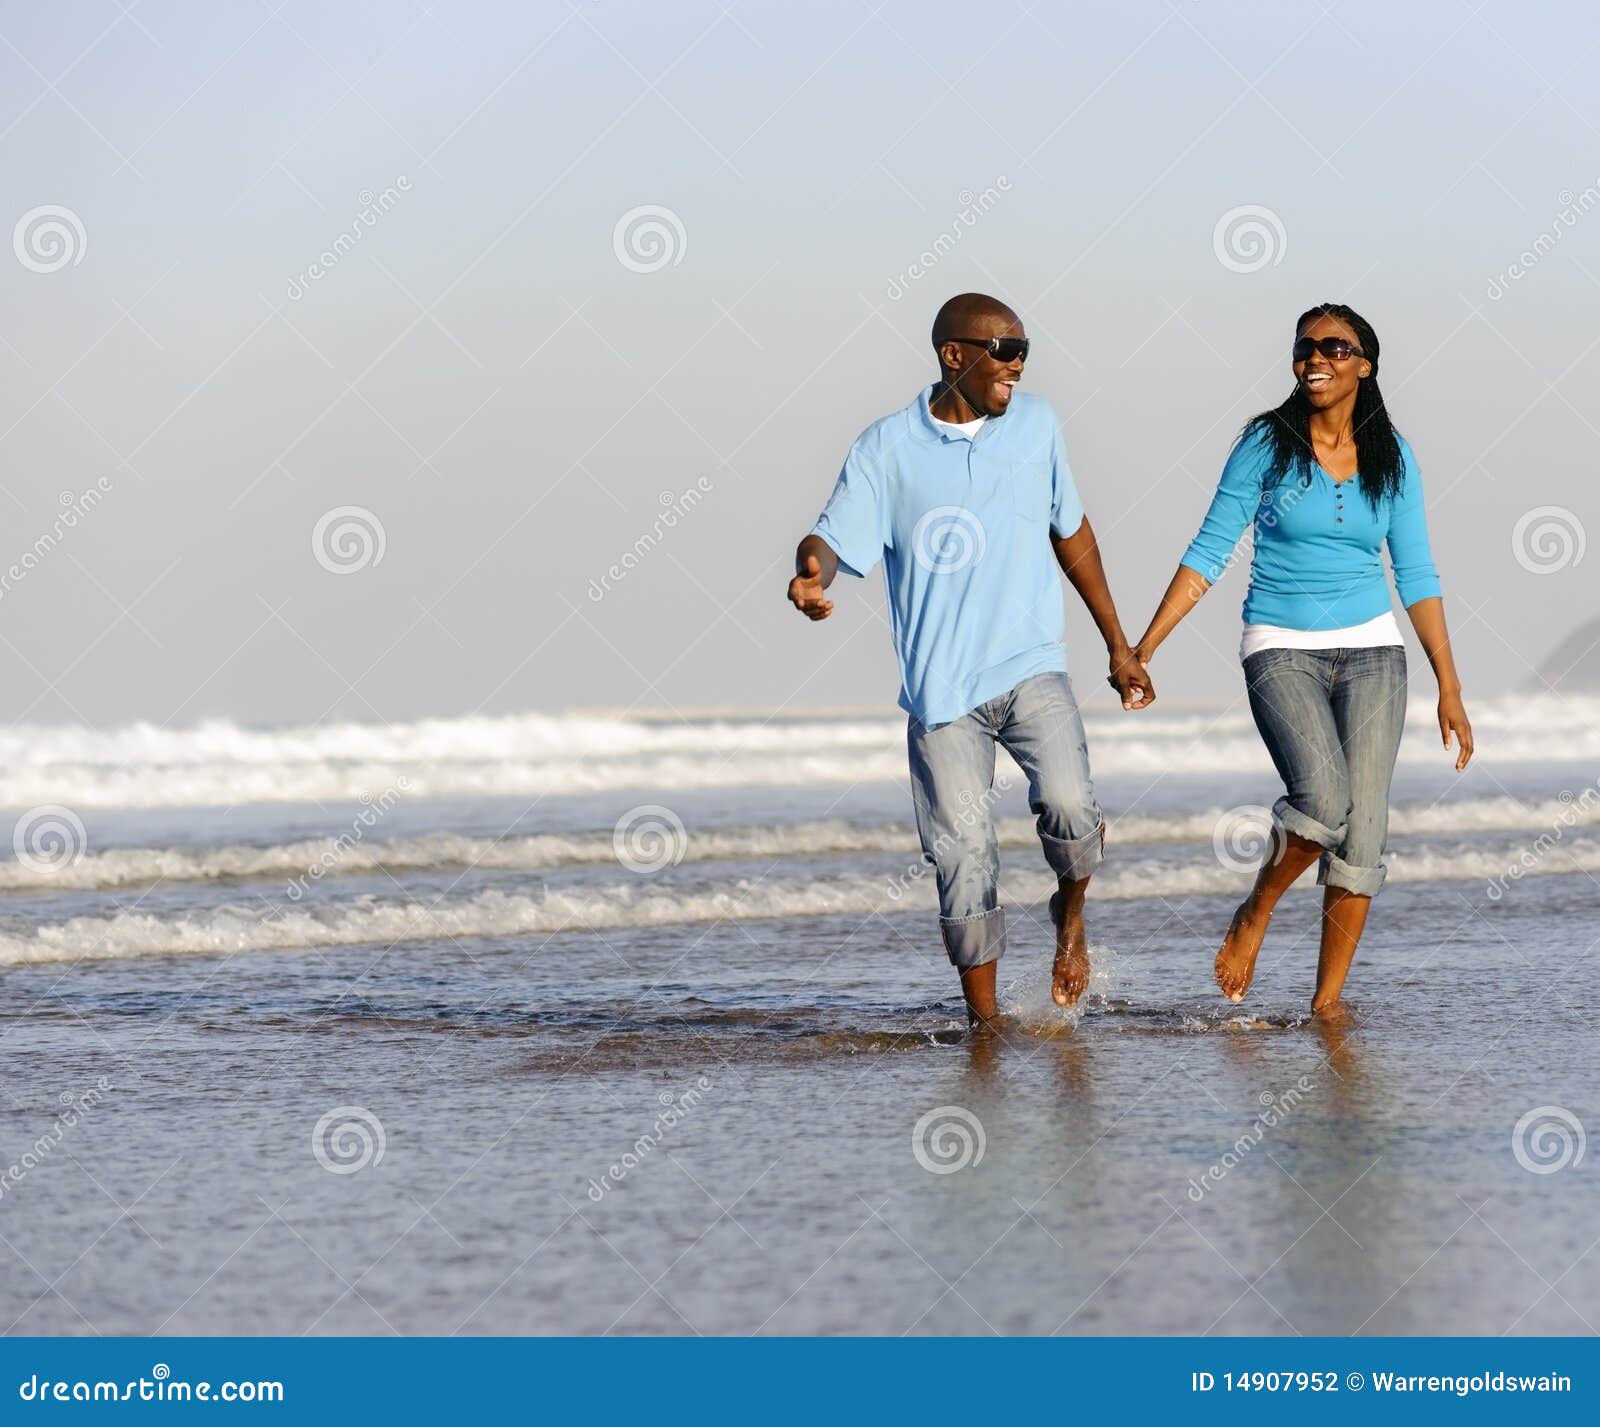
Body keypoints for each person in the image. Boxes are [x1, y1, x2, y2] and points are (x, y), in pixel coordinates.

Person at [787, 293, 1153, 1029]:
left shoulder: (1037, 425)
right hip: (942, 692)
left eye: (1024, 352)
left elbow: (1072, 534)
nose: (1017, 366)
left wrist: (1118, 644)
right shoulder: (886, 447)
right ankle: (987, 1030)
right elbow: (829, 536)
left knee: (1071, 807)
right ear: (954, 354)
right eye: (1004, 350)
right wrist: (809, 572)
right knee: (962, 859)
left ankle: (1070, 914)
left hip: (1032, 664)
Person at [1132, 302, 1473, 1019]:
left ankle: (1326, 1006)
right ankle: (1257, 908)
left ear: (1365, 365)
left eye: (1335, 347)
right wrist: (1147, 644)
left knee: (1364, 835)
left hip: (1375, 653)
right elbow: (1211, 548)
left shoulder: (1393, 456)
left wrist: (1449, 683)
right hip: (1280, 645)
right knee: (1321, 801)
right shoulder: (1267, 443)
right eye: (1306, 346)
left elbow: (1416, 573)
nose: (1317, 357)